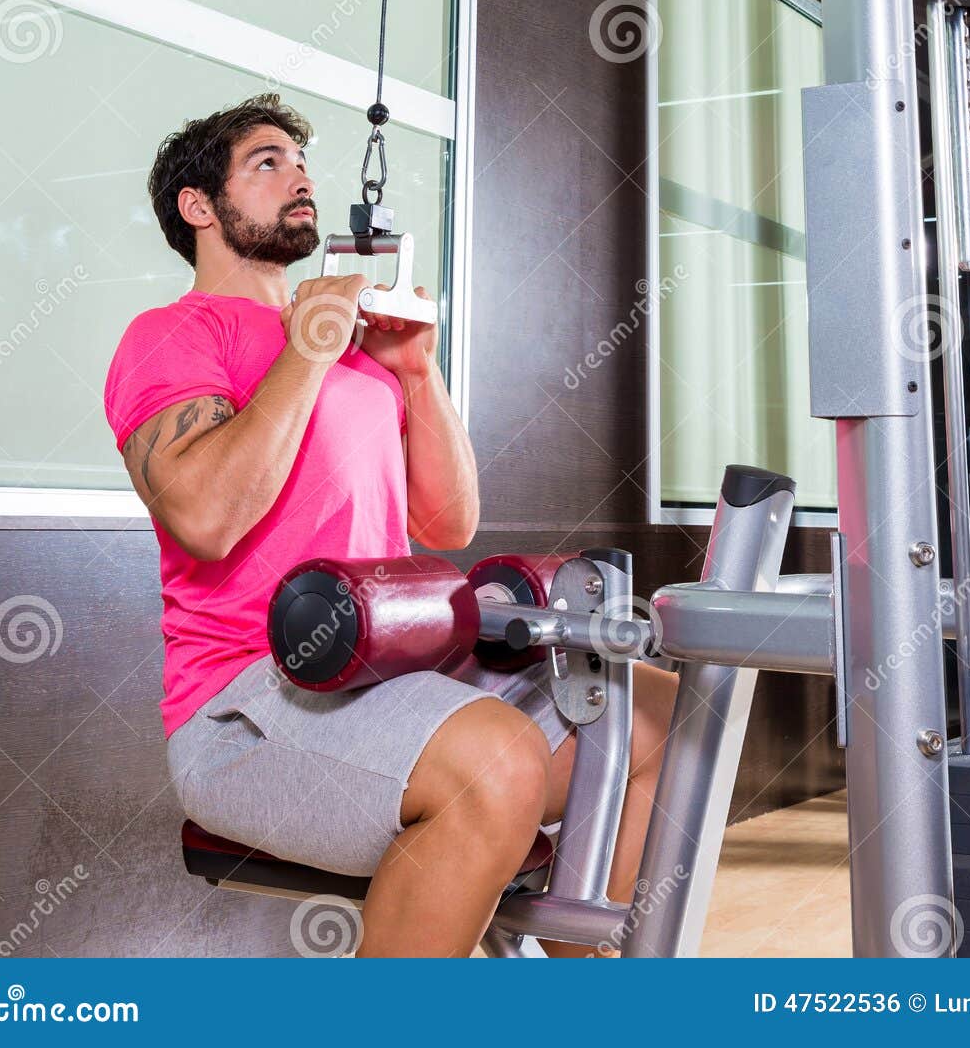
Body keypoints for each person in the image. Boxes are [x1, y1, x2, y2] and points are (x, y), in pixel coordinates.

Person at [105, 92, 676, 957]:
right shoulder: (174, 334)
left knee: (657, 714)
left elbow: (449, 521)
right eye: (267, 163)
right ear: (198, 208)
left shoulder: (354, 353)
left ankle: (582, 980)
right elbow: (206, 519)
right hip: (248, 703)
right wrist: (308, 348)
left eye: (301, 164)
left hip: (392, 669)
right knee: (495, 762)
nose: (299, 178)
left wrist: (412, 371)